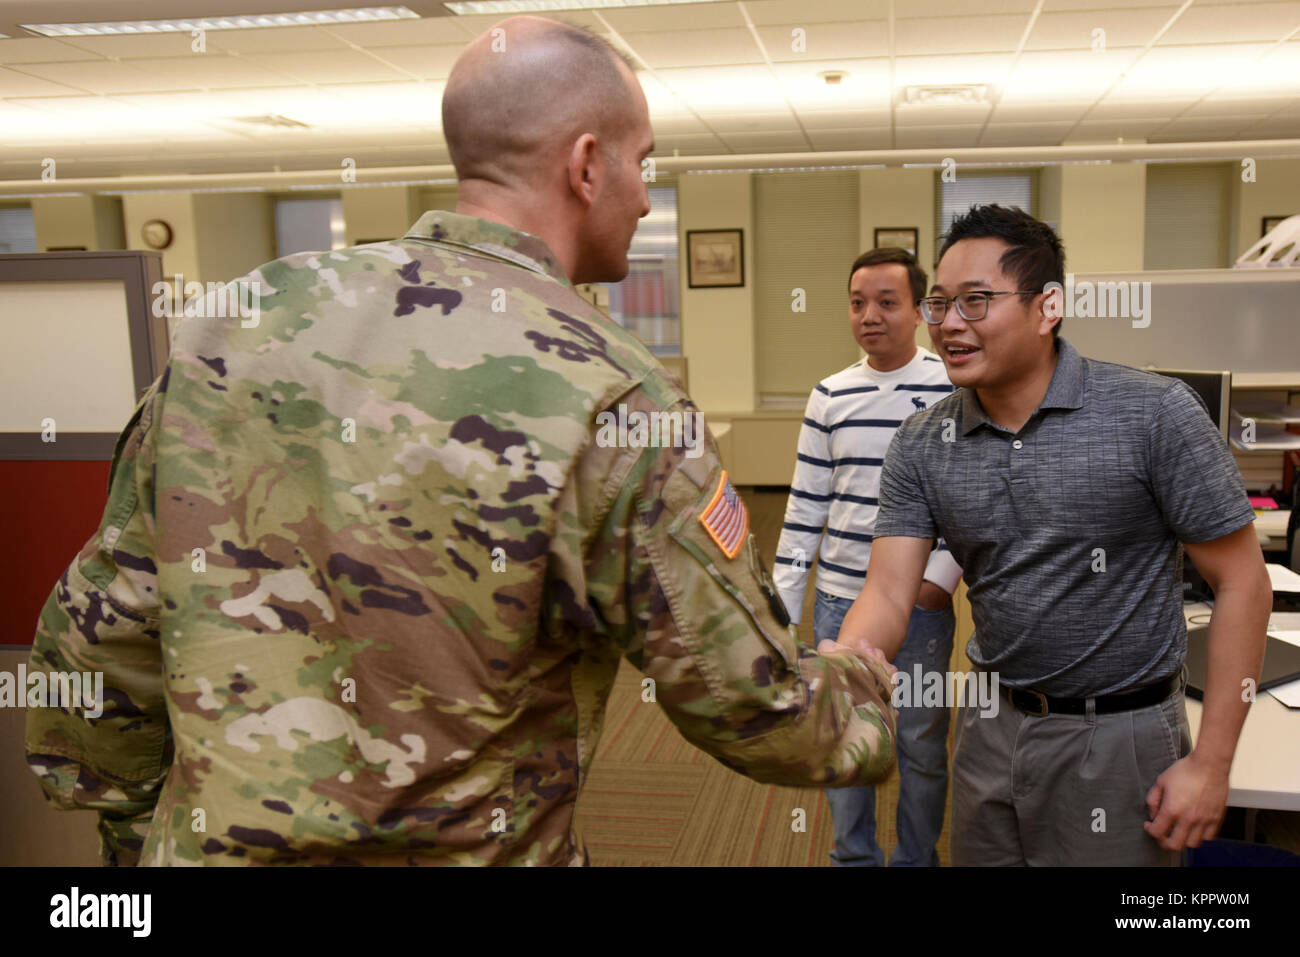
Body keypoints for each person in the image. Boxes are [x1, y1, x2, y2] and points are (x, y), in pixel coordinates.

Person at [25, 16, 897, 867]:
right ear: (587, 165)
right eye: (644, 163)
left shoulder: (236, 326)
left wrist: (138, 833)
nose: (644, 196)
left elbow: (98, 633)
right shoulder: (614, 392)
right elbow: (745, 701)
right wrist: (863, 689)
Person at [834, 204, 1271, 866]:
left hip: (1121, 738)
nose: (950, 323)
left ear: (1047, 308)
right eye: (941, 304)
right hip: (989, 726)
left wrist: (1212, 762)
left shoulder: (1152, 415)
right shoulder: (923, 443)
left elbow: (1242, 581)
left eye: (976, 302)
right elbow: (890, 591)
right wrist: (847, 663)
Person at [773, 247, 959, 866]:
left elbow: (968, 499)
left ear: (918, 311)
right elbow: (803, 510)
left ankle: (916, 859)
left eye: (886, 302)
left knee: (923, 747)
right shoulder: (829, 395)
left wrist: (937, 579)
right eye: (858, 303)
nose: (869, 315)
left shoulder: (949, 386)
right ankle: (853, 859)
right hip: (840, 605)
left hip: (921, 608)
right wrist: (782, 613)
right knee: (846, 745)